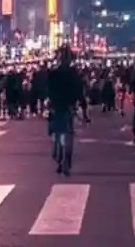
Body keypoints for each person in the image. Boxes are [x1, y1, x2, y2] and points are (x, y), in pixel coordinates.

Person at [47, 46, 83, 175]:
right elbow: (79, 91)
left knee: (57, 133)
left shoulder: (54, 73)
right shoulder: (74, 74)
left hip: (58, 106)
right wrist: (83, 109)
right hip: (68, 106)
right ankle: (66, 160)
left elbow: (49, 90)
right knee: (68, 135)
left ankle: (60, 158)